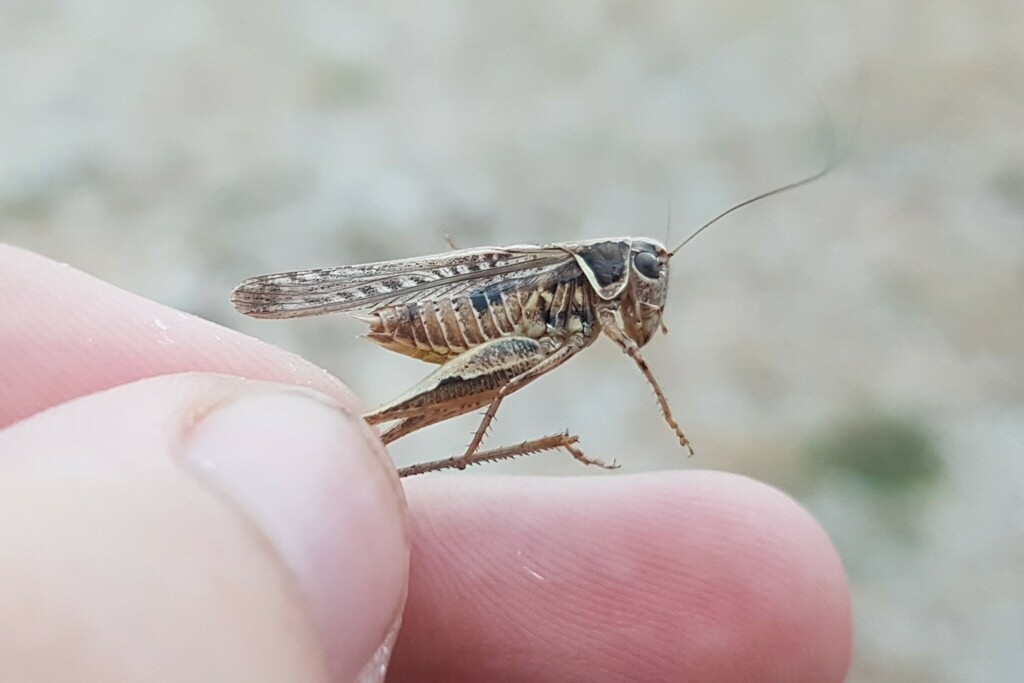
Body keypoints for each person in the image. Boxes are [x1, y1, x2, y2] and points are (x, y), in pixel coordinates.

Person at [0, 244, 851, 682]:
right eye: (642, 275)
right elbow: (510, 320)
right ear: (613, 269)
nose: (645, 290)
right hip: (453, 324)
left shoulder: (588, 306)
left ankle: (358, 452)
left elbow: (584, 346)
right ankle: (343, 457)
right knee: (391, 429)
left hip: (499, 335)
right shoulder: (571, 290)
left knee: (462, 406)